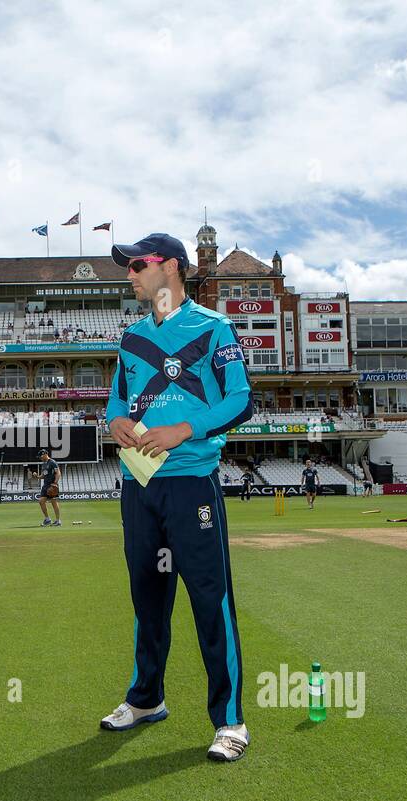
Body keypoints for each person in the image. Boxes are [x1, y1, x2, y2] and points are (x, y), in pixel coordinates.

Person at [101, 233, 255, 763]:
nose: (130, 274)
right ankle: (147, 699)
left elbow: (241, 401)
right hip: (139, 484)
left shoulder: (214, 328)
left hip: (193, 485)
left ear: (170, 267)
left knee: (210, 602)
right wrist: (116, 419)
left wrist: (182, 429)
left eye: (137, 265)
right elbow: (116, 400)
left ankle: (230, 719)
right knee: (148, 599)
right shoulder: (130, 337)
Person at [35, 448, 61, 526]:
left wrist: (55, 483)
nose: (40, 458)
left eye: (41, 456)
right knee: (41, 501)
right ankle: (47, 519)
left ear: (45, 454)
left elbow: (58, 473)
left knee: (54, 502)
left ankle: (58, 521)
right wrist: (37, 477)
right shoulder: (44, 464)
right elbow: (44, 475)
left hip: (52, 485)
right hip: (45, 485)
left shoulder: (52, 462)